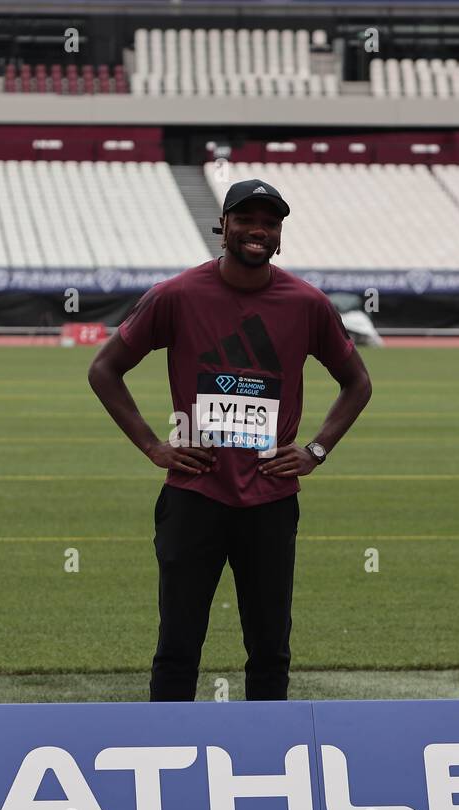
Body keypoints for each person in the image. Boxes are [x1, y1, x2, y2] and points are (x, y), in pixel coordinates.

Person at [87, 179, 373, 701]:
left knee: (270, 650)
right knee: (177, 646)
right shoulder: (176, 296)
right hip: (193, 497)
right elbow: (104, 369)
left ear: (281, 235)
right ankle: (169, 758)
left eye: (270, 222)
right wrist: (154, 447)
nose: (257, 230)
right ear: (224, 227)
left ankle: (267, 761)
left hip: (270, 500)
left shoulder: (307, 304)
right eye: (245, 219)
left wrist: (315, 451)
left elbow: (359, 384)